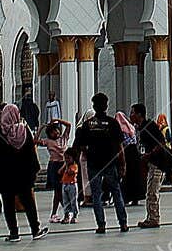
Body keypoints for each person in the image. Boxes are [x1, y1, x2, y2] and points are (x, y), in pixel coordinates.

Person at [0, 103, 47, 241]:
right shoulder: (24, 130)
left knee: (8, 204)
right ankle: (35, 229)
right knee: (28, 203)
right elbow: (31, 152)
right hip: (23, 174)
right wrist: (34, 170)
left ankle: (14, 233)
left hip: (5, 174)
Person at [72, 96, 128, 233]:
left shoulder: (88, 125)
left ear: (94, 107)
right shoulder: (113, 123)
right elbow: (120, 147)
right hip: (110, 163)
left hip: (93, 164)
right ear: (106, 106)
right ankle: (123, 223)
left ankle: (101, 225)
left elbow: (79, 146)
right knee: (116, 192)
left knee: (96, 195)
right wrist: (123, 164)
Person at [134, 105, 172, 229]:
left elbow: (161, 142)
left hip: (158, 163)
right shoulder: (140, 128)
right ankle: (150, 216)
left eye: (132, 113)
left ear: (139, 114)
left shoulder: (149, 126)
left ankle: (154, 218)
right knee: (149, 190)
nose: (131, 115)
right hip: (151, 163)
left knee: (152, 191)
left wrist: (149, 155)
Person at [41, 118, 72, 221]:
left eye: (57, 130)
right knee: (58, 191)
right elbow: (35, 141)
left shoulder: (64, 138)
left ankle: (57, 213)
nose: (56, 133)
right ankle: (64, 213)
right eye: (53, 131)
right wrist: (41, 128)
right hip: (54, 166)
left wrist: (57, 120)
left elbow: (68, 125)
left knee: (61, 191)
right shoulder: (48, 141)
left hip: (64, 165)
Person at [57, 148, 81, 223]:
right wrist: (65, 165)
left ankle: (75, 215)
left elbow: (70, 172)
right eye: (65, 158)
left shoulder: (74, 166)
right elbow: (59, 172)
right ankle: (66, 215)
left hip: (72, 185)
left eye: (68, 158)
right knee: (65, 201)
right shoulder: (66, 165)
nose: (66, 160)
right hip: (65, 184)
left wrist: (67, 166)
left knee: (73, 201)